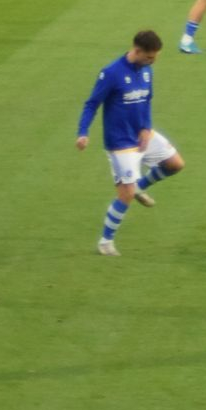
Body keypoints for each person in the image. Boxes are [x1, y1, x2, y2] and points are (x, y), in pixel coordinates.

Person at [76, 31, 186, 257]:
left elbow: (146, 100)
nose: (153, 61)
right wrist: (83, 132)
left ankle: (140, 186)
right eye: (150, 57)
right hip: (120, 143)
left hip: (141, 135)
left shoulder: (146, 71)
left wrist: (146, 128)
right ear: (137, 51)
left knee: (175, 164)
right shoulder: (111, 73)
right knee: (124, 195)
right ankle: (105, 242)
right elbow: (91, 104)